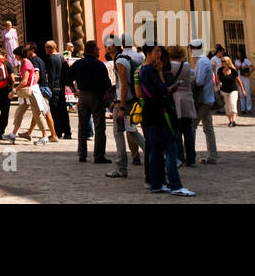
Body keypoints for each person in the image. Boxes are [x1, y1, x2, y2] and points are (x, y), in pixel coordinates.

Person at [139, 45, 194, 196]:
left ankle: (156, 184)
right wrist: (161, 75)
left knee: (156, 150)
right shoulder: (150, 70)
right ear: (148, 53)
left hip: (150, 111)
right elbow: (163, 89)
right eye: (157, 51)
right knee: (170, 148)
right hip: (158, 111)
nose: (160, 53)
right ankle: (176, 185)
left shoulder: (143, 69)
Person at [107, 39, 145, 178]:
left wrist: (121, 106)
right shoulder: (127, 58)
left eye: (110, 44)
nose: (107, 47)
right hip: (127, 101)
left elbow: (124, 85)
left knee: (118, 133)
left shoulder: (120, 61)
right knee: (132, 131)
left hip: (125, 104)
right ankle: (155, 156)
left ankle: (121, 167)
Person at [67, 40, 110, 162]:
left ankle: (82, 154)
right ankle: (98, 155)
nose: (99, 51)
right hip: (96, 96)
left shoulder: (78, 64)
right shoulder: (99, 64)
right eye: (97, 48)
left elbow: (67, 77)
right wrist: (106, 93)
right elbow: (106, 82)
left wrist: (74, 90)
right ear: (92, 50)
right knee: (99, 126)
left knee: (82, 126)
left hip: (83, 96)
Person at [5, 45, 49, 144]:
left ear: (20, 55)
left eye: (16, 55)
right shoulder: (24, 63)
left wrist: (14, 91)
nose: (15, 57)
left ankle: (45, 137)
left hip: (32, 92)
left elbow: (25, 81)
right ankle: (13, 135)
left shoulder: (26, 64)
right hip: (27, 93)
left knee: (37, 114)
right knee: (19, 112)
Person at [165, 46, 196, 164]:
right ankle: (191, 157)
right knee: (187, 129)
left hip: (175, 97)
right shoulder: (187, 65)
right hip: (187, 97)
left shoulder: (170, 66)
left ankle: (179, 156)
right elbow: (192, 79)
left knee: (176, 129)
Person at [189, 40, 218, 164]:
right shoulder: (205, 60)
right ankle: (212, 155)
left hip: (203, 100)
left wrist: (190, 78)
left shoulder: (201, 62)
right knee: (208, 128)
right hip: (208, 99)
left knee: (192, 126)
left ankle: (190, 155)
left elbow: (199, 81)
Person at [43, 41, 71, 140]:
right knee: (63, 110)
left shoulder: (51, 58)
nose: (45, 49)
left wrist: (49, 89)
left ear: (51, 48)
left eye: (46, 47)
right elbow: (67, 71)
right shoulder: (61, 57)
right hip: (61, 87)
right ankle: (67, 132)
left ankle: (58, 132)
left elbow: (51, 75)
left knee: (55, 111)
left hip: (54, 87)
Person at [217, 56, 240, 126]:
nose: (222, 63)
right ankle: (230, 120)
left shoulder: (233, 70)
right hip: (224, 90)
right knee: (227, 107)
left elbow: (239, 81)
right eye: (221, 61)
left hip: (233, 90)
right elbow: (217, 77)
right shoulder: (220, 70)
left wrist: (243, 90)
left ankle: (233, 121)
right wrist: (219, 83)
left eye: (223, 61)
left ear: (227, 62)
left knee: (233, 104)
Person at [235, 46, 253, 115]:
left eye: (238, 52)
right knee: (241, 93)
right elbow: (235, 68)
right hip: (239, 76)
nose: (237, 53)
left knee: (247, 92)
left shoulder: (246, 60)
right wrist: (239, 67)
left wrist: (248, 73)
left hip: (245, 77)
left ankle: (249, 108)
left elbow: (253, 67)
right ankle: (243, 109)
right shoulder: (236, 60)